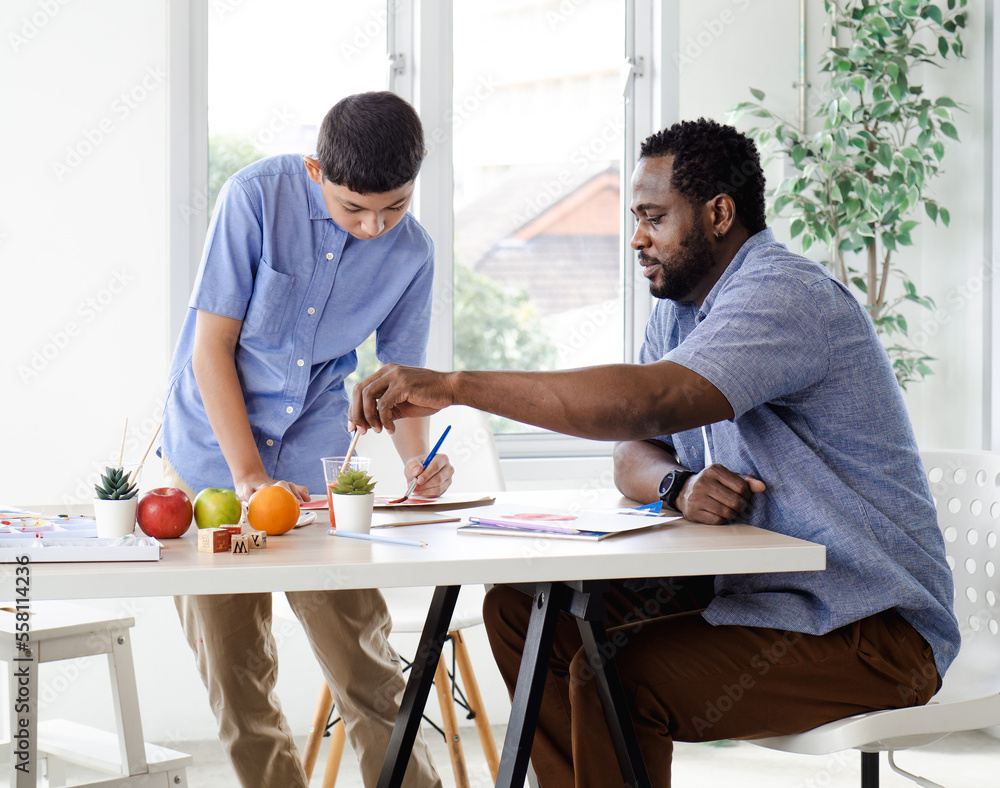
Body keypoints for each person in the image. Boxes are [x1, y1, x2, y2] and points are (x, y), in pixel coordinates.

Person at [347, 118, 960, 787]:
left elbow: (649, 402)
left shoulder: (784, 296)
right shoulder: (682, 304)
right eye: (635, 218)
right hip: (758, 597)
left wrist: (458, 386)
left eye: (654, 217)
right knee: (520, 612)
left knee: (617, 677)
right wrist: (677, 484)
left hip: (870, 630)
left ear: (720, 214)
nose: (637, 238)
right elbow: (633, 448)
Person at [159, 92, 451, 788]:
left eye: (396, 206)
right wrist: (249, 477)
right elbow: (212, 350)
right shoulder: (255, 197)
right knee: (238, 680)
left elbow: (401, 379)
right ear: (317, 169)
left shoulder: (413, 254)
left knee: (366, 666)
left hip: (318, 463)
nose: (376, 226)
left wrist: (417, 461)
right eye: (355, 208)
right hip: (211, 460)